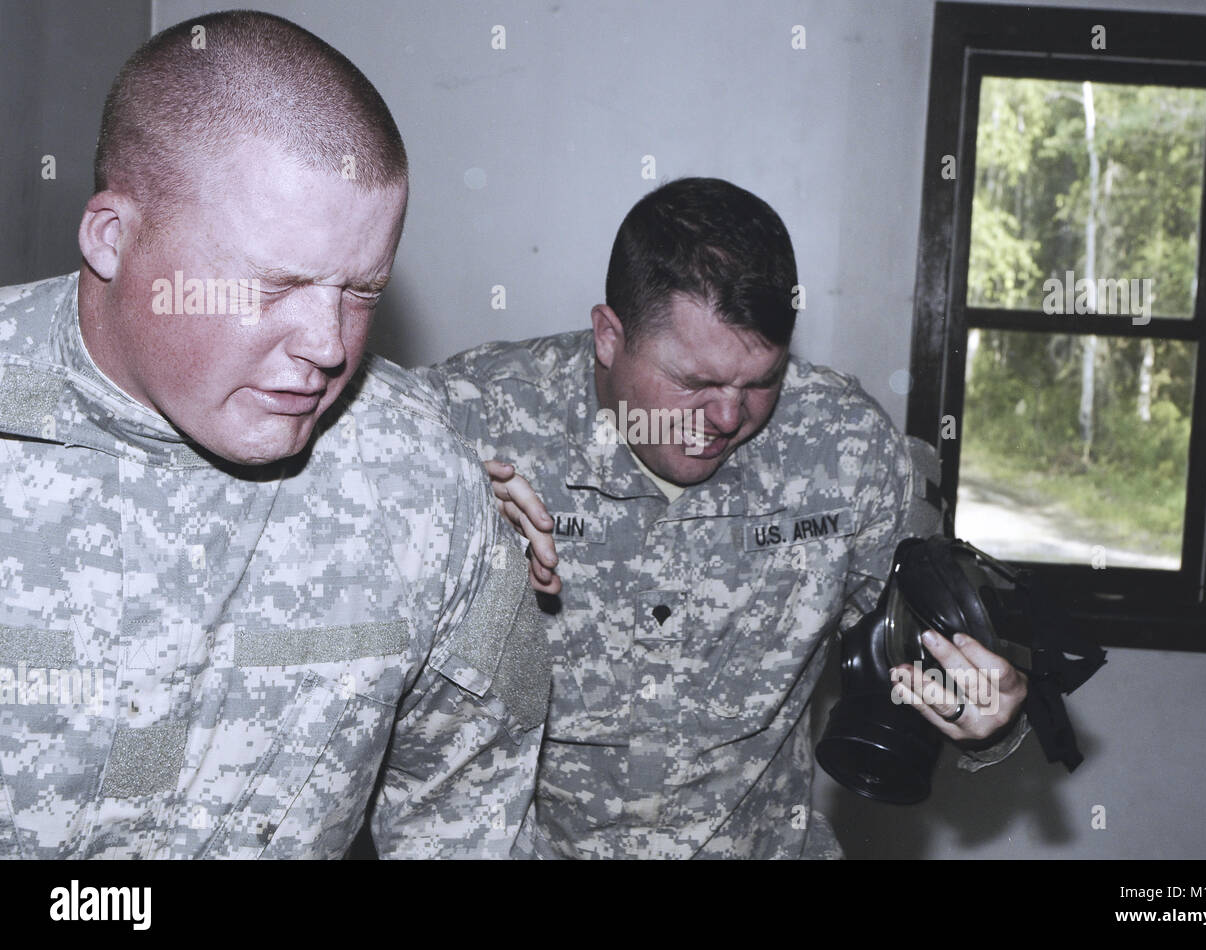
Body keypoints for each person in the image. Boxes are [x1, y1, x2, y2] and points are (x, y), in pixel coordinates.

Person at [0, 10, 548, 859]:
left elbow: (468, 820)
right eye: (275, 283)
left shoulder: (422, 487)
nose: (327, 346)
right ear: (113, 238)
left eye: (360, 291)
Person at [426, 177, 1031, 858]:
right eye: (694, 383)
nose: (725, 418)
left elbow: (928, 651)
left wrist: (988, 711)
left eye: (760, 382)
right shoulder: (471, 421)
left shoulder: (843, 447)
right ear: (607, 336)